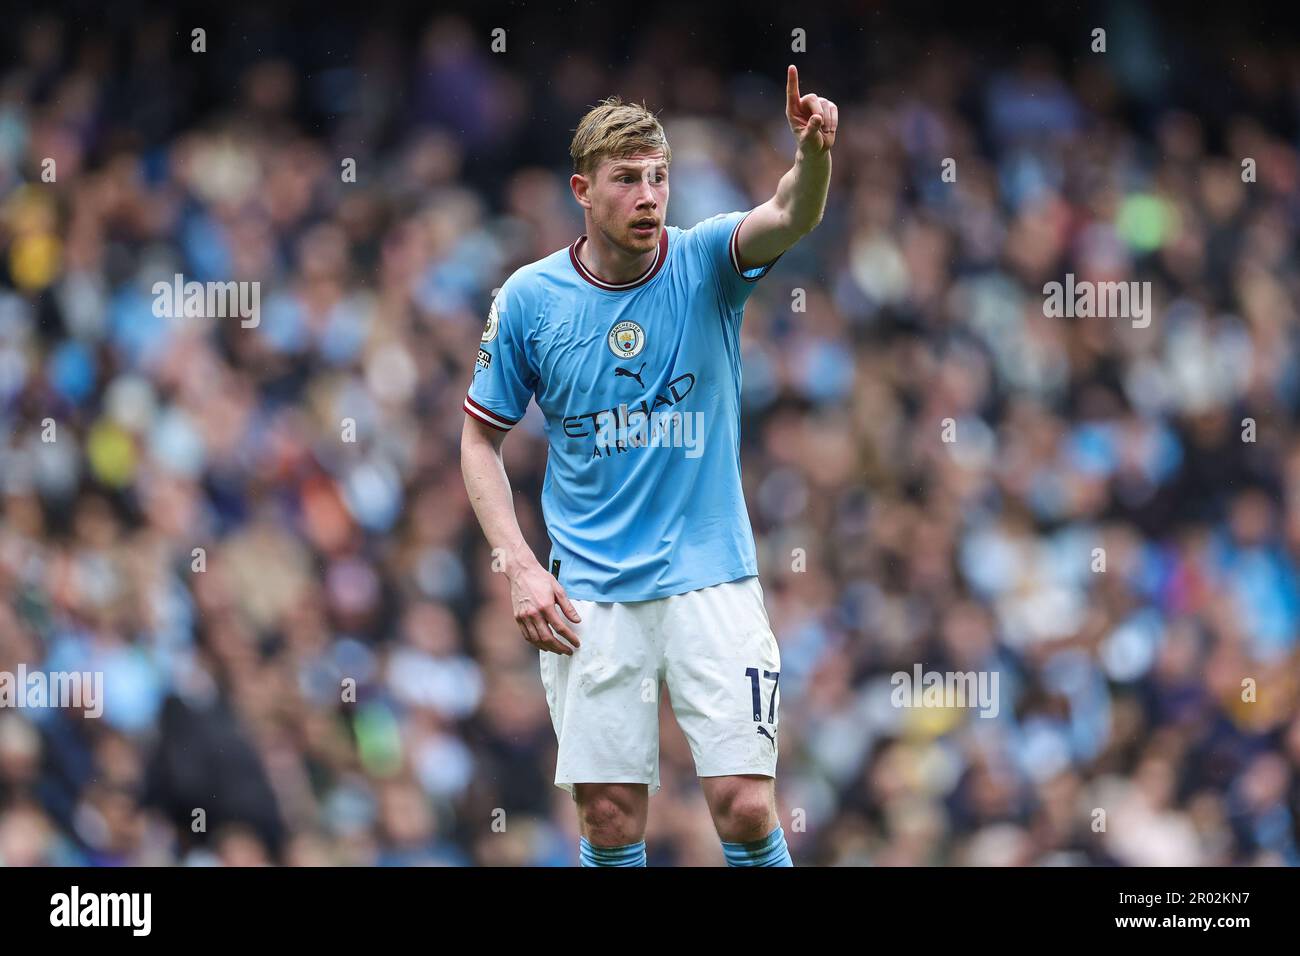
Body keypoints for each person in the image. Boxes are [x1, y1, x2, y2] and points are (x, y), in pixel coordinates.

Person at [460, 65, 835, 867]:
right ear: (582, 189)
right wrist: (520, 567)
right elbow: (477, 440)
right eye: (627, 179)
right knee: (608, 817)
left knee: (743, 803)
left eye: (659, 178)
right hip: (591, 587)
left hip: (713, 578)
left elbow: (789, 214)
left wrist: (814, 158)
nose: (649, 195)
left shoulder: (707, 263)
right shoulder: (530, 299)